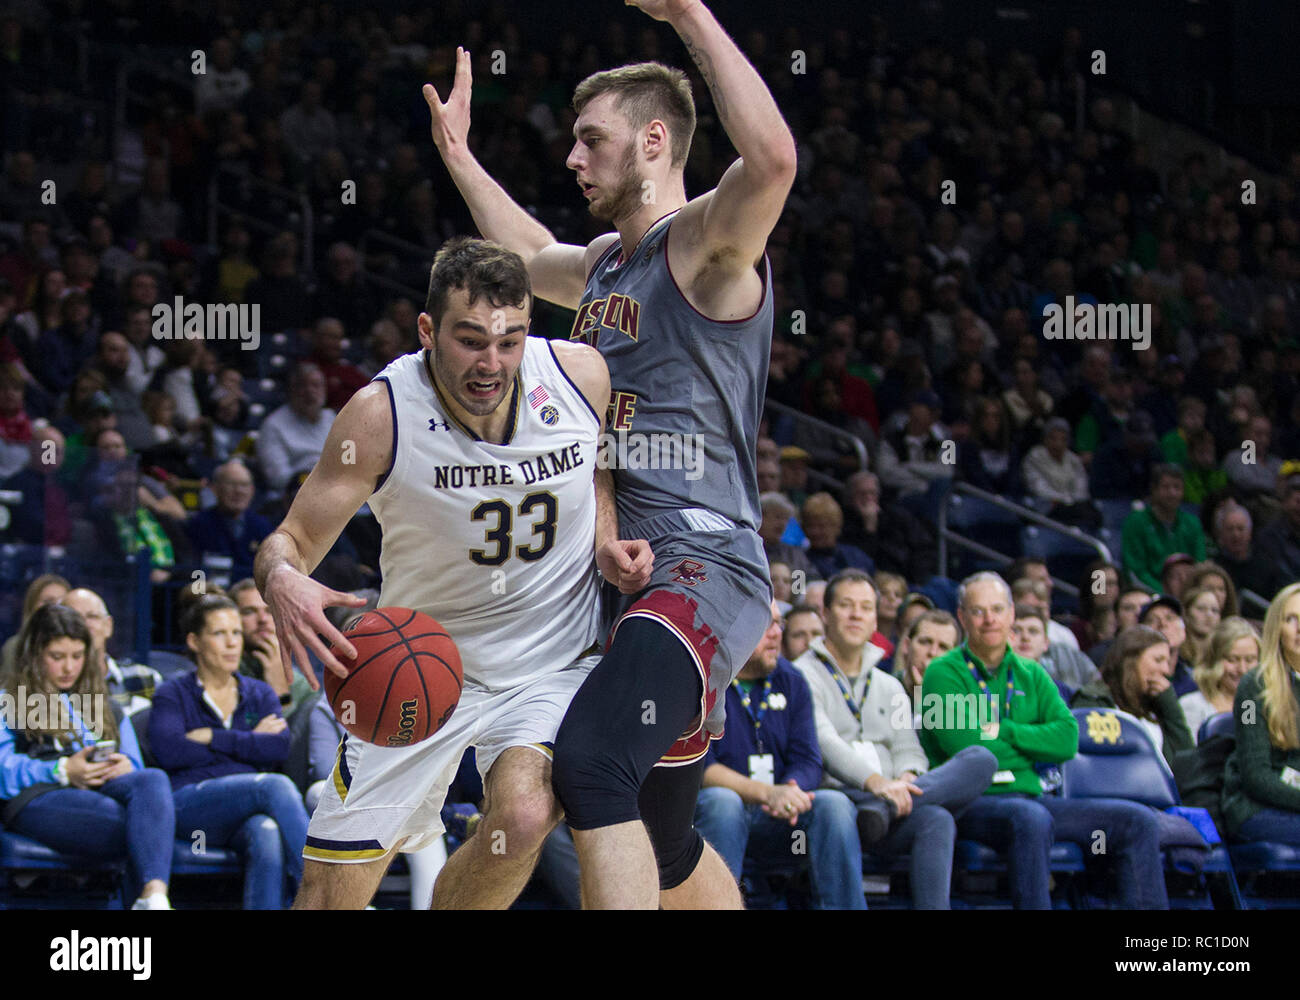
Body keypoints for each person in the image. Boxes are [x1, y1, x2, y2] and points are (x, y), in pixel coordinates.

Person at [426, 1, 796, 908]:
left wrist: (688, 15)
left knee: (590, 767)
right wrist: (460, 159)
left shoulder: (707, 248)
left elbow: (776, 161)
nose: (574, 158)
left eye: (592, 141)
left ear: (655, 143)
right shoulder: (601, 266)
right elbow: (525, 251)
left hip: (701, 557)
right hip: (616, 568)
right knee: (662, 840)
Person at [256, 238, 629, 910]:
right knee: (330, 893)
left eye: (510, 341)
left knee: (521, 817)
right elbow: (292, 539)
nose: (492, 363)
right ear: (427, 331)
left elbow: (596, 463)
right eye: (470, 341)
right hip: (419, 662)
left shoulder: (581, 377)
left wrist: (604, 537)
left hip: (549, 664)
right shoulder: (380, 415)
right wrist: (282, 576)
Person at [921, 572, 1168, 909]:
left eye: (997, 609)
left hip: (1033, 797)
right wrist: (1034, 747)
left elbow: (1067, 741)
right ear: (962, 617)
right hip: (969, 803)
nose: (989, 619)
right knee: (1030, 818)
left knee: (1136, 820)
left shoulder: (1031, 673)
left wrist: (1005, 730)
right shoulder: (943, 672)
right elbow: (969, 753)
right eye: (978, 611)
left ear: (1011, 614)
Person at [793, 571, 996, 909]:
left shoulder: (887, 684)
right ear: (825, 614)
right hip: (836, 801)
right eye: (846, 605)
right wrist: (877, 784)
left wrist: (907, 778)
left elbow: (908, 749)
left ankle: (884, 811)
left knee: (974, 769)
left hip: (884, 809)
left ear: (875, 618)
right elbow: (824, 743)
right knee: (842, 806)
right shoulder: (801, 675)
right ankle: (884, 806)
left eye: (865, 607)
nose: (857, 614)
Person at [0, 603, 174, 909]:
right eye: (57, 657)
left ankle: (154, 897)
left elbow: (136, 765)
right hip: (39, 795)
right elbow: (3, 771)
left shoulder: (104, 705)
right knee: (140, 827)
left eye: (77, 656)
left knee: (153, 780)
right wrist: (63, 769)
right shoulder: (9, 701)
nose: (69, 667)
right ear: (35, 655)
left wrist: (123, 767)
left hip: (99, 788)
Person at [694, 600, 865, 909]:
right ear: (731, 628)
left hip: (780, 815)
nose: (775, 635)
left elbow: (808, 759)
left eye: (778, 625)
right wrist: (767, 793)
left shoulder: (791, 680)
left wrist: (789, 791)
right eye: (765, 624)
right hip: (721, 813)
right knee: (723, 802)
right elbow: (702, 768)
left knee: (834, 804)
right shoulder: (705, 678)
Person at [148, 595, 309, 909]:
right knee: (273, 786)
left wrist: (212, 737)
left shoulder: (258, 693)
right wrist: (249, 741)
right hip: (190, 806)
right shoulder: (172, 693)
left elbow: (277, 748)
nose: (232, 643)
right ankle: (331, 896)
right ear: (194, 641)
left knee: (266, 831)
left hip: (245, 809)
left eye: (236, 633)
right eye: (219, 634)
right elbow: (171, 752)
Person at [1222, 583, 1300, 845]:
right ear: (1277, 629)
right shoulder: (1253, 686)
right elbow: (1255, 778)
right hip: (1255, 808)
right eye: (1291, 619)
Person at [1071, 625, 1194, 768]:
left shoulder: (1160, 705)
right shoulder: (1093, 699)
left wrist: (1170, 706)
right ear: (1131, 661)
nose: (1166, 670)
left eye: (1167, 662)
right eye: (1158, 660)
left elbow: (1188, 766)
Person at [60, 587, 162, 717]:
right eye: (74, 618)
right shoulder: (53, 686)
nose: (84, 624)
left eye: (92, 616)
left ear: (108, 626)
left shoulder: (145, 678)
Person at [1121, 463, 1207, 592]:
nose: (1172, 493)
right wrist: (1164, 594)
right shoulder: (1136, 523)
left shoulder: (1192, 523)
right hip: (1149, 594)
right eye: (1166, 487)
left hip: (1187, 592)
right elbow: (1136, 571)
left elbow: (1200, 565)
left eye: (1177, 487)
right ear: (1154, 490)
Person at [1181, 616, 1260, 741]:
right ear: (1214, 661)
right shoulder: (1193, 705)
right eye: (1232, 659)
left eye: (1250, 660)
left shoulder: (1254, 705)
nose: (1242, 669)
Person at [1137, 595, 1198, 696]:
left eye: (1170, 618)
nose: (1163, 624)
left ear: (1184, 628)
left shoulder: (1194, 679)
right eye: (1152, 620)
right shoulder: (1136, 682)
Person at [1179, 584, 1223, 672]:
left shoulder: (1222, 657)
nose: (1209, 615)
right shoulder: (1176, 655)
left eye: (1214, 610)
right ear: (1186, 614)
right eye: (1201, 609)